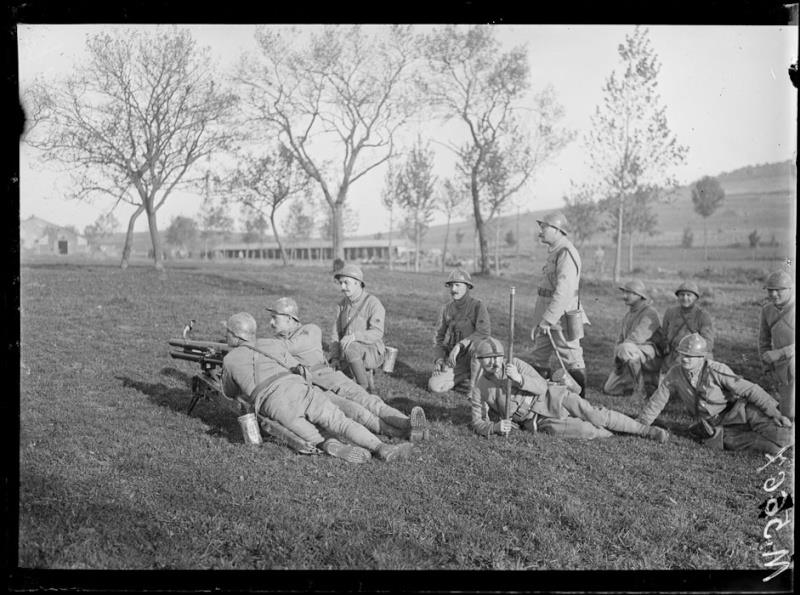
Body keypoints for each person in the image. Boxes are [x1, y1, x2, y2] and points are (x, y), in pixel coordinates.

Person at [221, 312, 414, 463]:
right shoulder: (272, 344)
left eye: (227, 332)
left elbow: (229, 392)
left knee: (316, 435)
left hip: (274, 404)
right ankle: (382, 448)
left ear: (235, 335)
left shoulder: (229, 359)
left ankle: (331, 445)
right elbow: (297, 369)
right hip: (299, 389)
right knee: (341, 422)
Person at [266, 297, 429, 441]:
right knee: (356, 412)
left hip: (331, 377)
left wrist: (263, 346)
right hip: (312, 389)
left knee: (368, 401)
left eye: (275, 318)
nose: (271, 323)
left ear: (289, 319)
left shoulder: (309, 329)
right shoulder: (274, 343)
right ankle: (402, 433)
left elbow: (291, 346)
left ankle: (408, 422)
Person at [469, 337, 668, 441]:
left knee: (594, 415)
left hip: (554, 397)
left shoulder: (516, 365)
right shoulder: (481, 388)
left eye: (497, 358)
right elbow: (478, 422)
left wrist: (519, 378)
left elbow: (540, 386)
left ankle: (645, 430)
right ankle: (616, 432)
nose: (495, 363)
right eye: (488, 360)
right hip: (536, 421)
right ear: (479, 361)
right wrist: (495, 427)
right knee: (585, 430)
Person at [636, 334, 793, 455]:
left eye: (690, 356)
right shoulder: (674, 373)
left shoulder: (717, 369)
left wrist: (774, 412)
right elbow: (658, 399)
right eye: (682, 354)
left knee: (785, 437)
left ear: (701, 357)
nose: (685, 359)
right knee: (770, 448)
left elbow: (750, 390)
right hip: (714, 426)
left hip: (740, 411)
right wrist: (642, 423)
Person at [529, 212, 589, 396]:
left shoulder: (566, 253)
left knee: (571, 358)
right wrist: (542, 320)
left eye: (544, 227)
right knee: (539, 357)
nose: (541, 231)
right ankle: (537, 399)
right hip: (548, 316)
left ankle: (579, 402)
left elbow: (564, 292)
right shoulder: (556, 251)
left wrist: (547, 320)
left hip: (562, 317)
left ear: (557, 229)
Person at [428, 269, 491, 395]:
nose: (453, 289)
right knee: (434, 386)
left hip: (476, 357)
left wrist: (460, 345)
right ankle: (465, 376)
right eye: (451, 285)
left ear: (467, 287)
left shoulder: (478, 306)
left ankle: (474, 384)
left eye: (457, 285)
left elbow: (483, 333)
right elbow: (438, 337)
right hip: (456, 360)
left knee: (482, 347)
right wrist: (439, 359)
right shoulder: (446, 309)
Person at [603, 279, 663, 400]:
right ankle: (647, 380)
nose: (624, 296)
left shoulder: (650, 313)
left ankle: (640, 389)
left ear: (639, 295)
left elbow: (636, 339)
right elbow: (619, 340)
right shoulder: (628, 315)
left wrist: (620, 353)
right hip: (632, 355)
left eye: (628, 293)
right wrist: (617, 363)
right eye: (623, 292)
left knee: (626, 348)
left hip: (652, 358)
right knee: (610, 389)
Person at [329, 264, 385, 392]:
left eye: (346, 283)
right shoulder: (341, 305)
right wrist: (334, 357)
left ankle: (363, 388)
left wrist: (355, 336)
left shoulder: (373, 303)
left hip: (371, 351)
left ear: (357, 283)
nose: (342, 287)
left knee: (351, 347)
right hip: (347, 352)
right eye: (340, 283)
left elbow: (377, 332)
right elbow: (335, 334)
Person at [759, 270, 795, 420]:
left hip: (791, 362)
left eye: (778, 290)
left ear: (790, 289)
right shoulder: (767, 310)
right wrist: (767, 366)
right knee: (788, 414)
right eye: (770, 290)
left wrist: (780, 353)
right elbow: (763, 341)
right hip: (783, 369)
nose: (773, 294)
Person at [660, 280, 715, 372]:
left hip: (694, 355)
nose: (685, 298)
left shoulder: (702, 315)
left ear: (696, 298)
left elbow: (708, 343)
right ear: (678, 297)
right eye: (682, 295)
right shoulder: (670, 312)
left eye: (689, 295)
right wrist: (665, 346)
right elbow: (664, 334)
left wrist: (690, 354)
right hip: (672, 354)